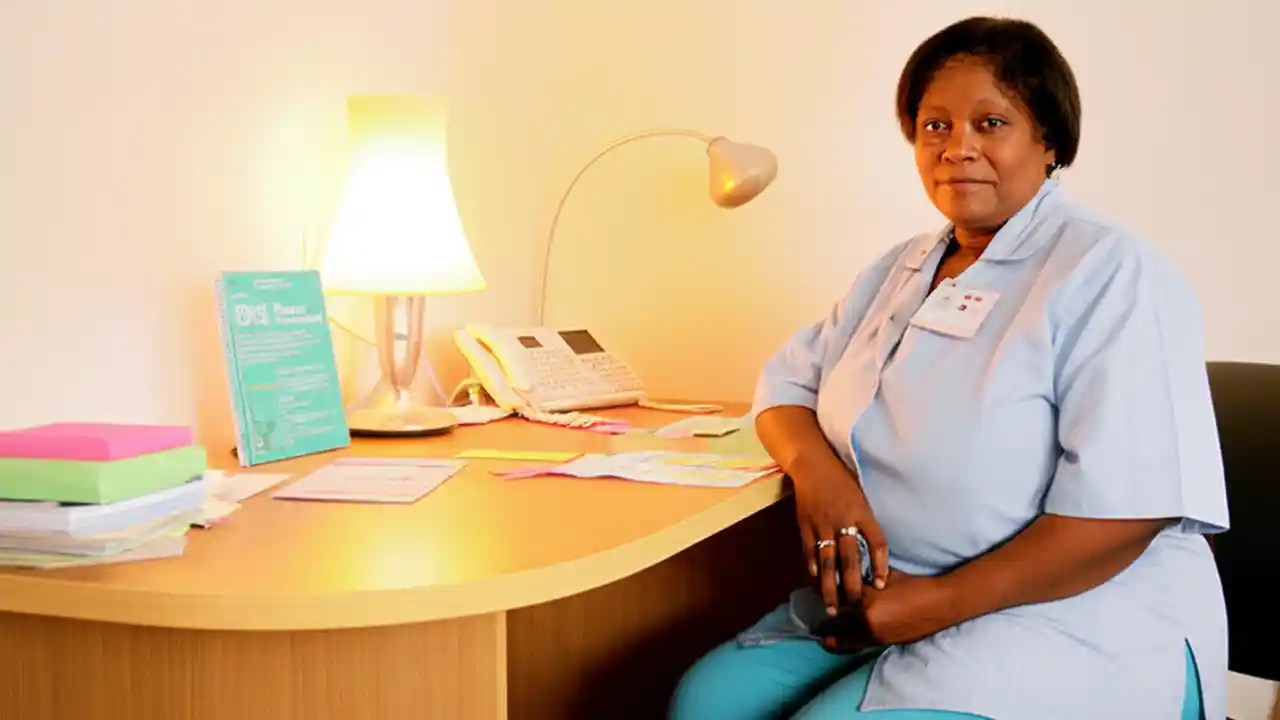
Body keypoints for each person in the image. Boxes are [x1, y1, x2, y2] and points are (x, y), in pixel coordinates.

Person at [669, 15, 1228, 720]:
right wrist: (821, 479)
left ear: (1048, 140)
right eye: (935, 126)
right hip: (888, 596)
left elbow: (1129, 510)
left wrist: (934, 604)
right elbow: (785, 390)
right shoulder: (898, 269)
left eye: (990, 123)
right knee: (707, 703)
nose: (957, 148)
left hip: (1069, 619)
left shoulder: (1110, 272)